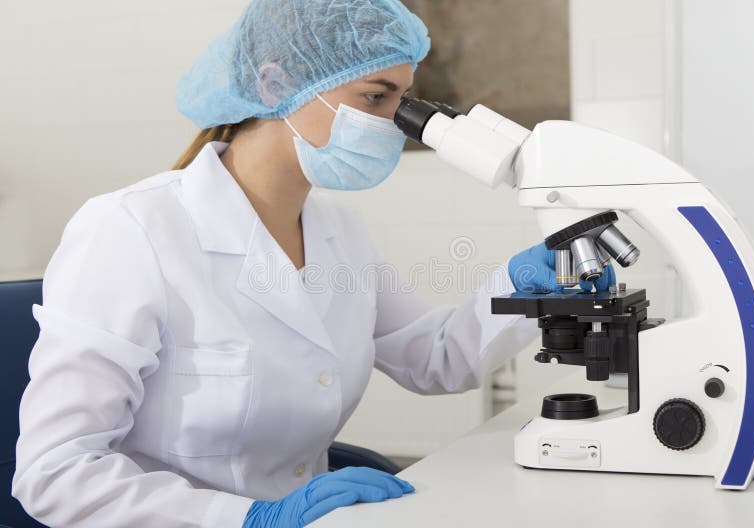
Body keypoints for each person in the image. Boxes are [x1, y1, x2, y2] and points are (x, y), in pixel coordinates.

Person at [12, 1, 614, 527]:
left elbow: (435, 359)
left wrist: (527, 285)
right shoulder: (131, 231)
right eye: (376, 97)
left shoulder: (337, 231)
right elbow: (55, 473)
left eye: (403, 100)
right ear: (274, 86)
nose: (394, 124)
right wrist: (249, 519)